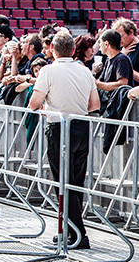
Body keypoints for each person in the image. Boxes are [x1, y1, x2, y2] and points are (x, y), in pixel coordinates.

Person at [29, 33, 100, 249]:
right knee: (75, 182)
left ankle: (78, 234)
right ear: (72, 50)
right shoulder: (84, 70)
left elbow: (34, 103)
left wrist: (50, 107)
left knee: (62, 182)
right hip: (81, 126)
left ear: (51, 48)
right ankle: (70, 230)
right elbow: (95, 104)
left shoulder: (48, 71)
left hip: (59, 127)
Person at [112, 18, 139, 84]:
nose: (118, 40)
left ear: (131, 32)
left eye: (121, 36)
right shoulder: (122, 49)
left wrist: (126, 67)